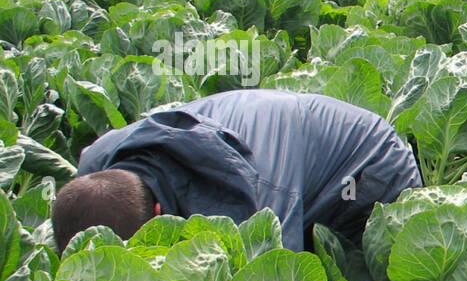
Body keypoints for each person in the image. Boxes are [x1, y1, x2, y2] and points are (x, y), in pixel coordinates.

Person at [52, 89, 422, 254]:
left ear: (158, 214)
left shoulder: (258, 197)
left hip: (369, 166)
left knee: (343, 273)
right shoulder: (97, 162)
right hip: (289, 146)